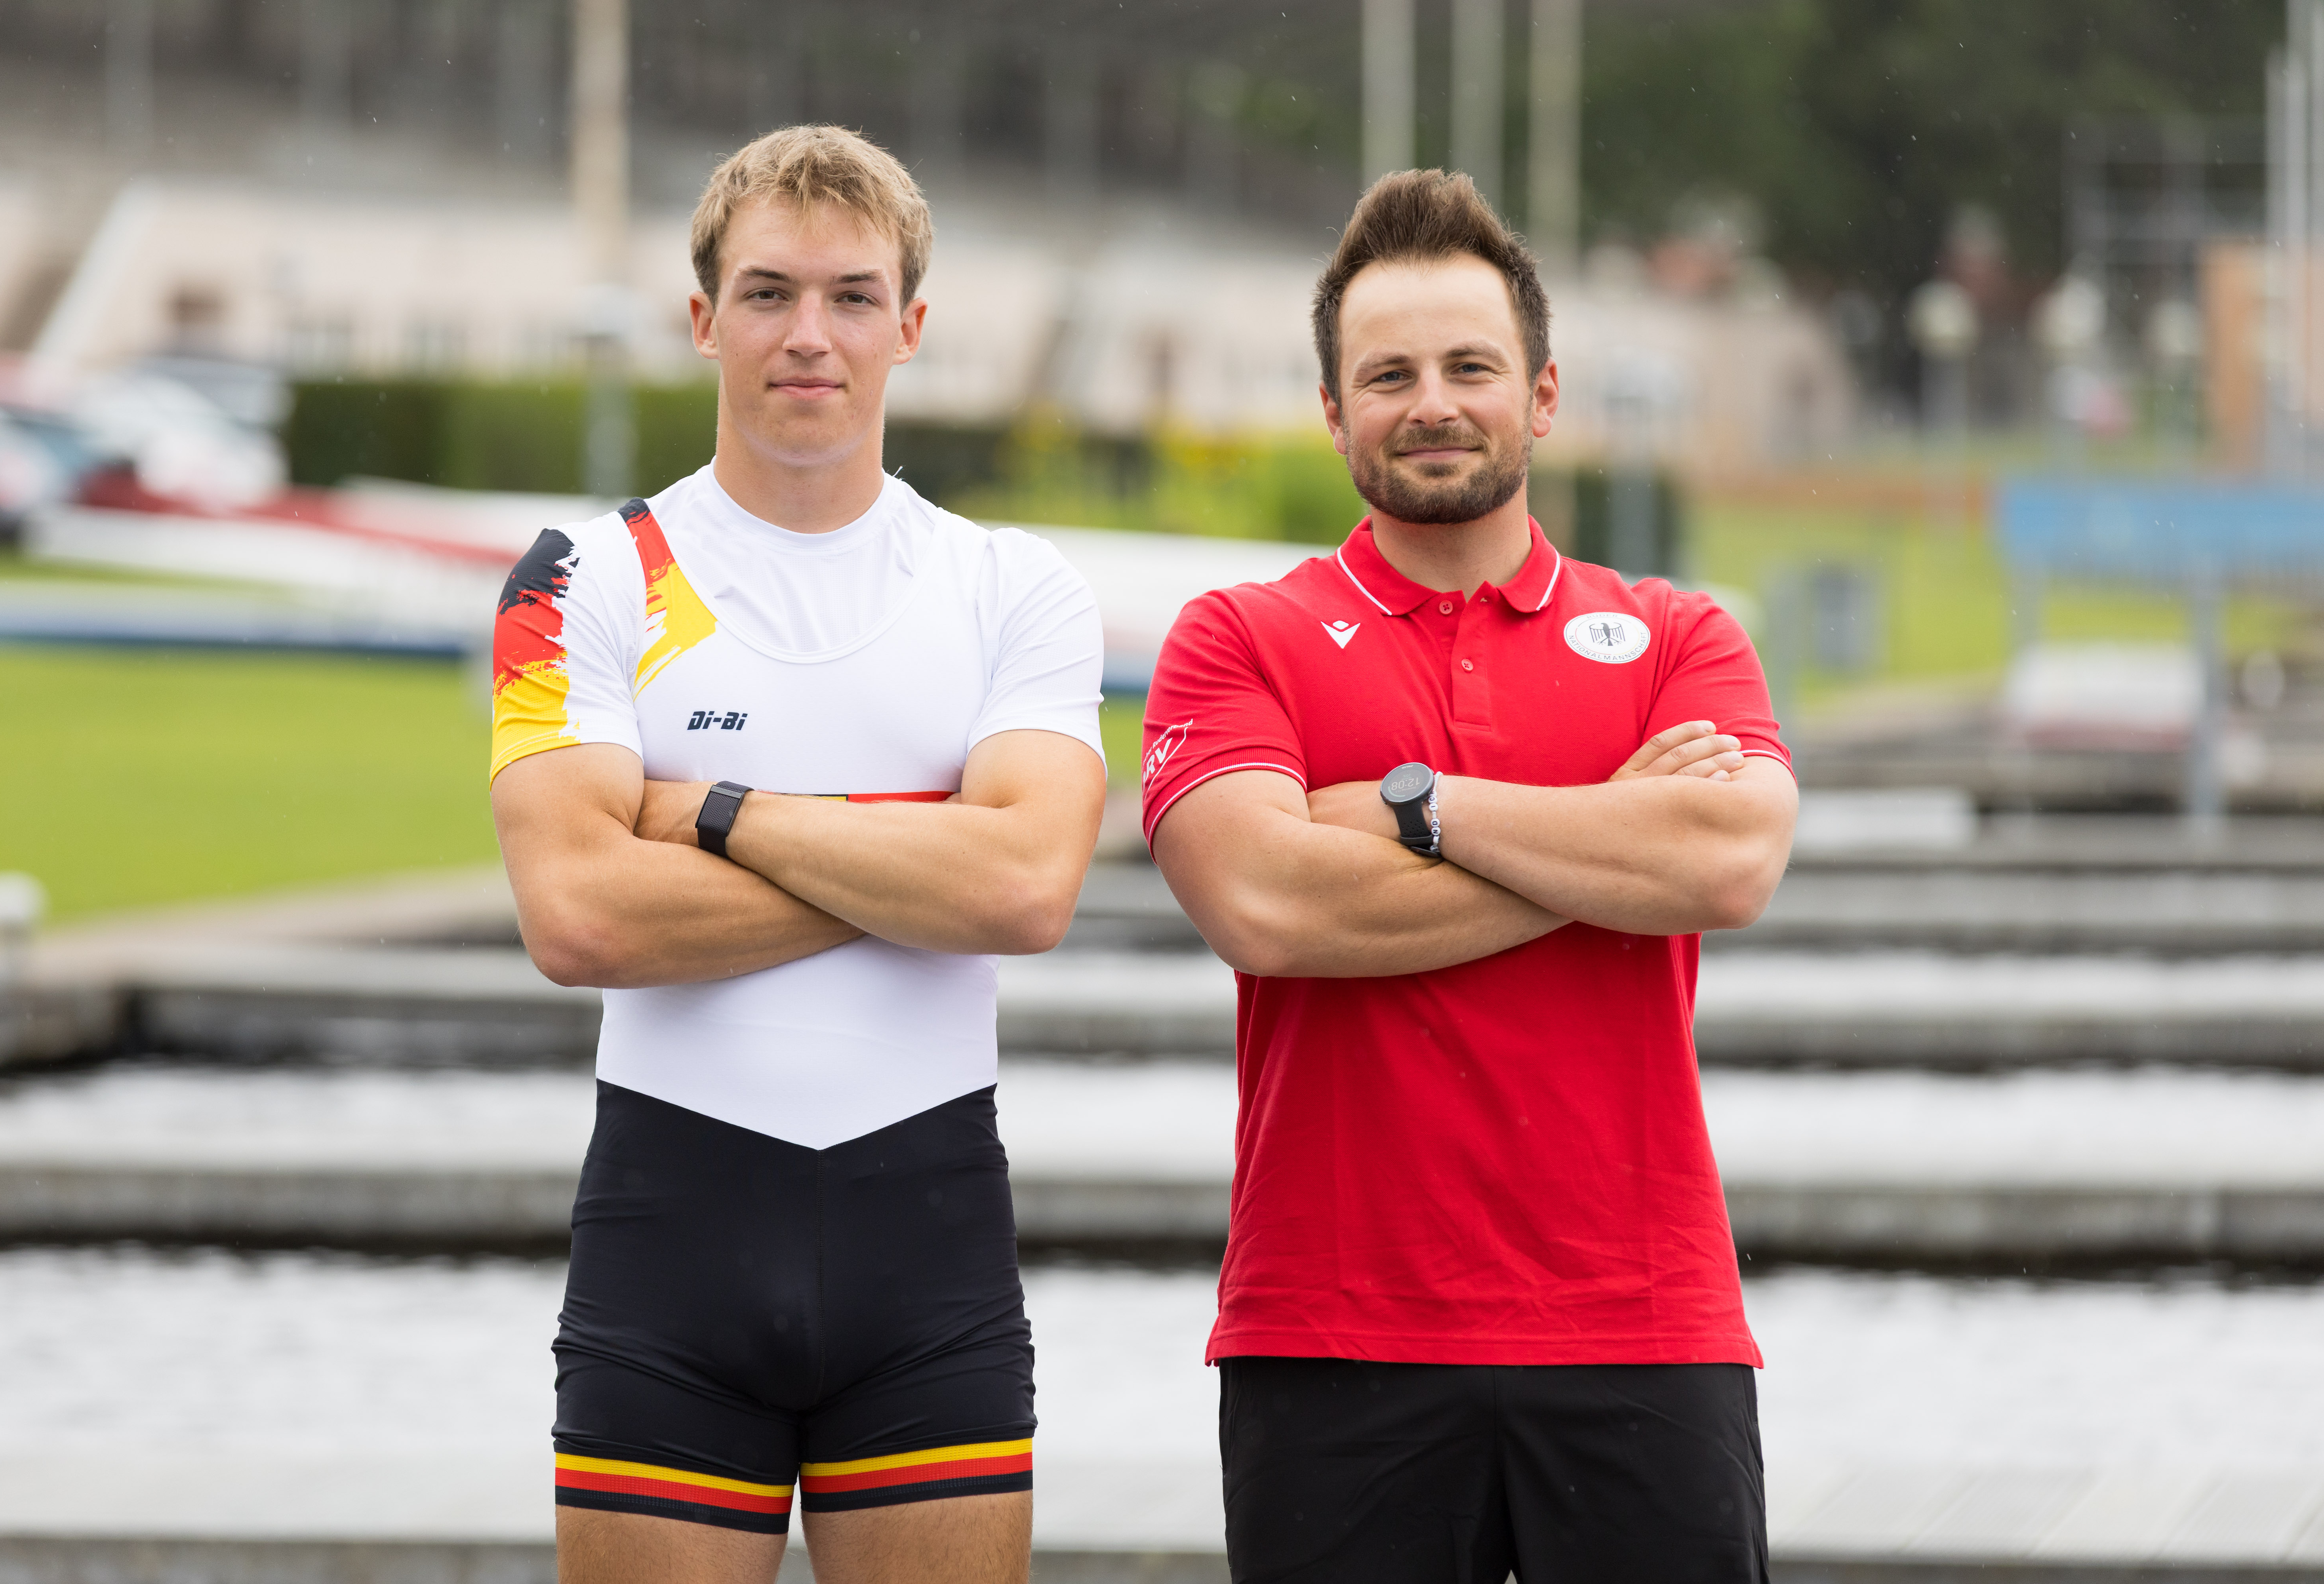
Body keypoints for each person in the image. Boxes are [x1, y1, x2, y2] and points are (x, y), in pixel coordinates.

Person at [1142, 169, 1799, 1584]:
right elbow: (1265, 903)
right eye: (1388, 375)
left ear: (1544, 396)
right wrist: (1607, 842)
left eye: (1469, 368)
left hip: (1645, 1325)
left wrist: (1413, 810)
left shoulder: (1678, 632)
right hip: (1331, 1335)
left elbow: (1733, 857)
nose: (1430, 401)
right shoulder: (1239, 637)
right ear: (1334, 412)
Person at [488, 125, 1105, 1584]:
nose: (808, 334)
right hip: (670, 1250)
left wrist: (712, 812)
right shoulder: (577, 578)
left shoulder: (1012, 585)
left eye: (849, 295)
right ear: (703, 319)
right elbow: (578, 918)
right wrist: (924, 852)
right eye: (767, 294)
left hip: (929, 1254)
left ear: (912, 325)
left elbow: (1025, 892)